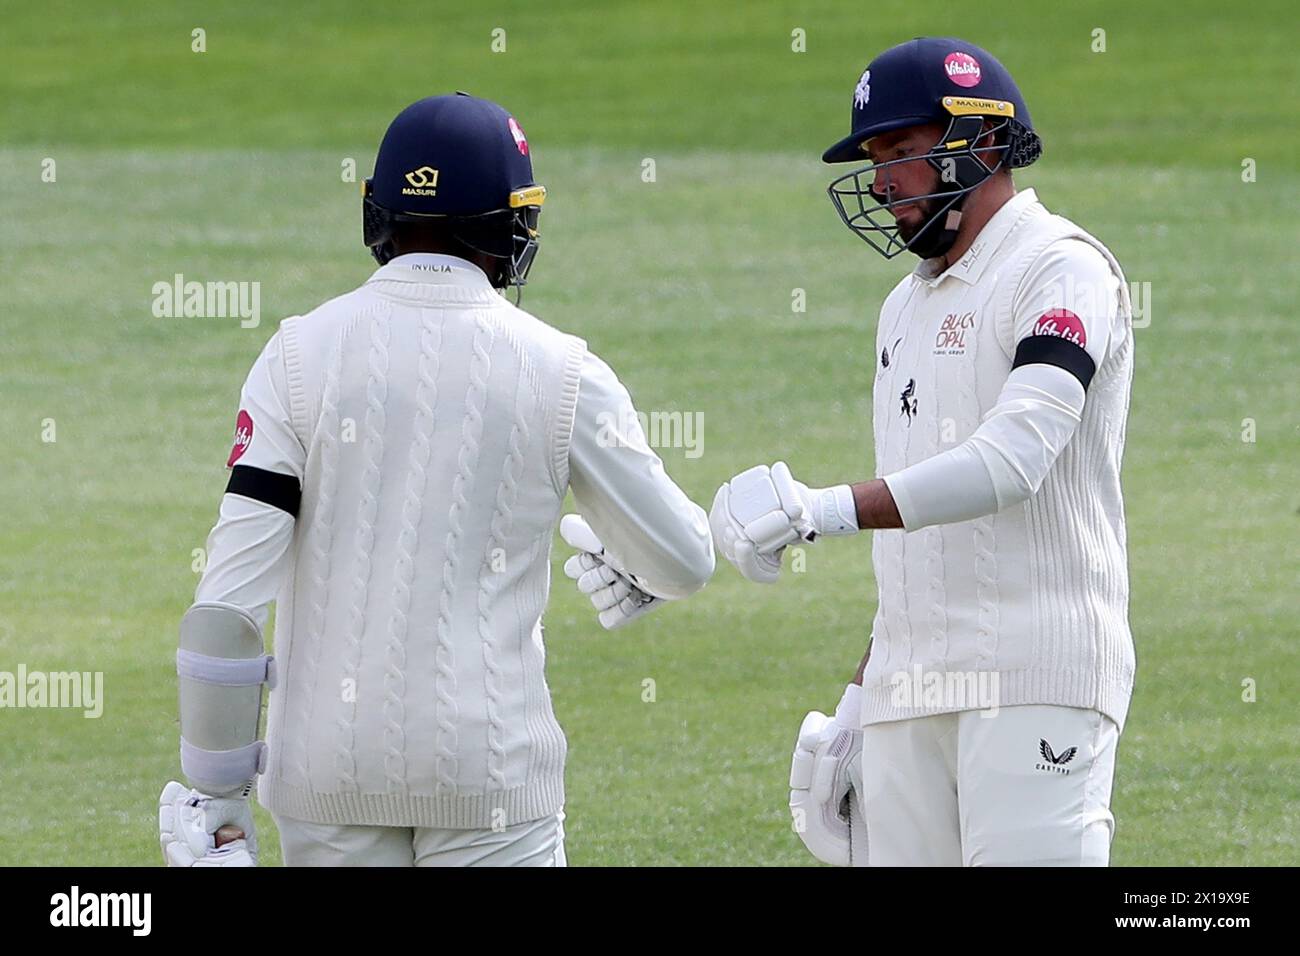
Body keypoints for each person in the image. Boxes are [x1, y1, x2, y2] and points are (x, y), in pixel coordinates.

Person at [158, 92, 714, 867]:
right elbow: (685, 560)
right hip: (489, 776)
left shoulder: (293, 356)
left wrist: (215, 798)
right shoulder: (564, 371)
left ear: (378, 214)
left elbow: (225, 607)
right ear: (509, 224)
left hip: (326, 775)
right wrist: (630, 558)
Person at [710, 37, 1135, 866]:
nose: (881, 182)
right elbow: (924, 533)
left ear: (980, 143)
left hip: (1034, 678)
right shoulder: (900, 310)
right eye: (875, 159)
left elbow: (1012, 461)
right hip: (910, 692)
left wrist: (820, 512)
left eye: (902, 153)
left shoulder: (1061, 269)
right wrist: (860, 698)